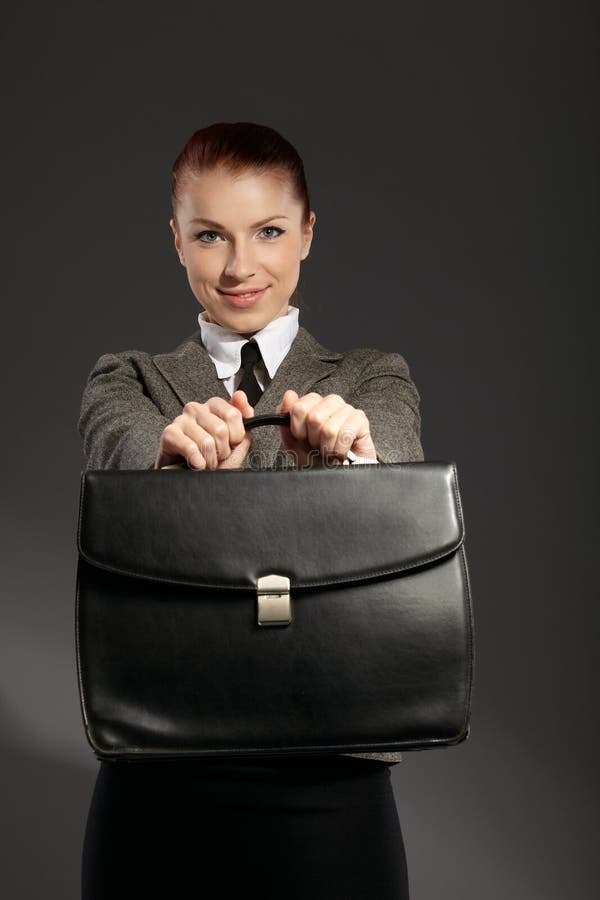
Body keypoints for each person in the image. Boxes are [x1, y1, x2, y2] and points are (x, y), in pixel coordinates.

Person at [78, 121, 423, 899]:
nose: (240, 267)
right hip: (158, 778)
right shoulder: (125, 380)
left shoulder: (372, 378)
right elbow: (121, 456)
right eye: (210, 236)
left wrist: (354, 459)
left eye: (267, 231)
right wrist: (179, 468)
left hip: (333, 779)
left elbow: (399, 482)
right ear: (176, 241)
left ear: (307, 233)